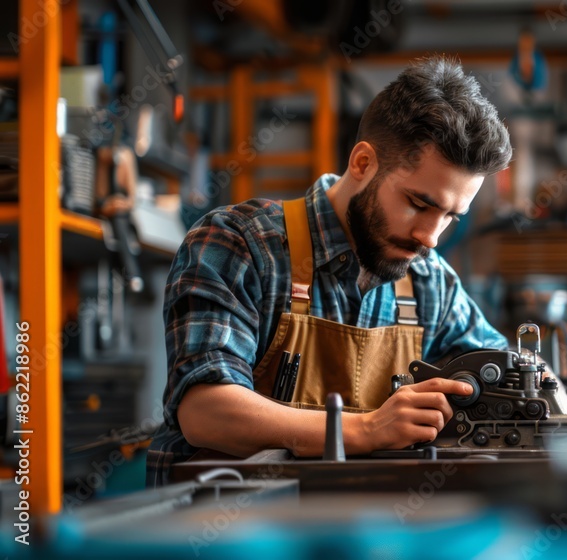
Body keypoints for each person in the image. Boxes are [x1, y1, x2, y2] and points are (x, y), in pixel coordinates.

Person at [146, 57, 515, 486]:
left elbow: (507, 371)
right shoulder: (239, 244)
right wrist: (368, 429)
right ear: (362, 163)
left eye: (451, 216)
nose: (431, 237)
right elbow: (205, 413)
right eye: (419, 203)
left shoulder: (429, 283)